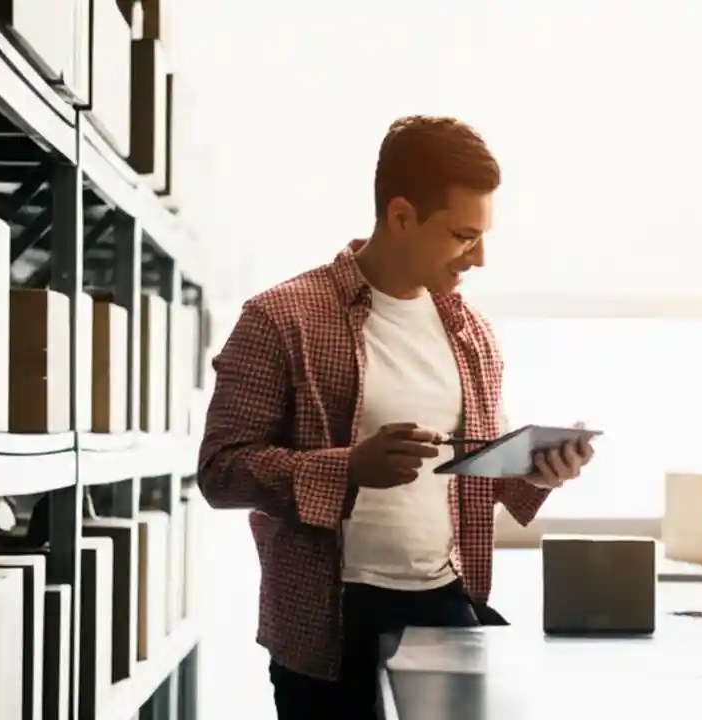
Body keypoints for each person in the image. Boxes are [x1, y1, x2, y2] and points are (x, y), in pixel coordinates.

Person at [196, 115, 596, 719]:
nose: (480, 258)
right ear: (402, 216)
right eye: (464, 236)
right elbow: (221, 472)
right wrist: (349, 469)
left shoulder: (470, 332)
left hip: (446, 604)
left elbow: (467, 474)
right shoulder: (280, 317)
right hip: (328, 624)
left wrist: (537, 470)